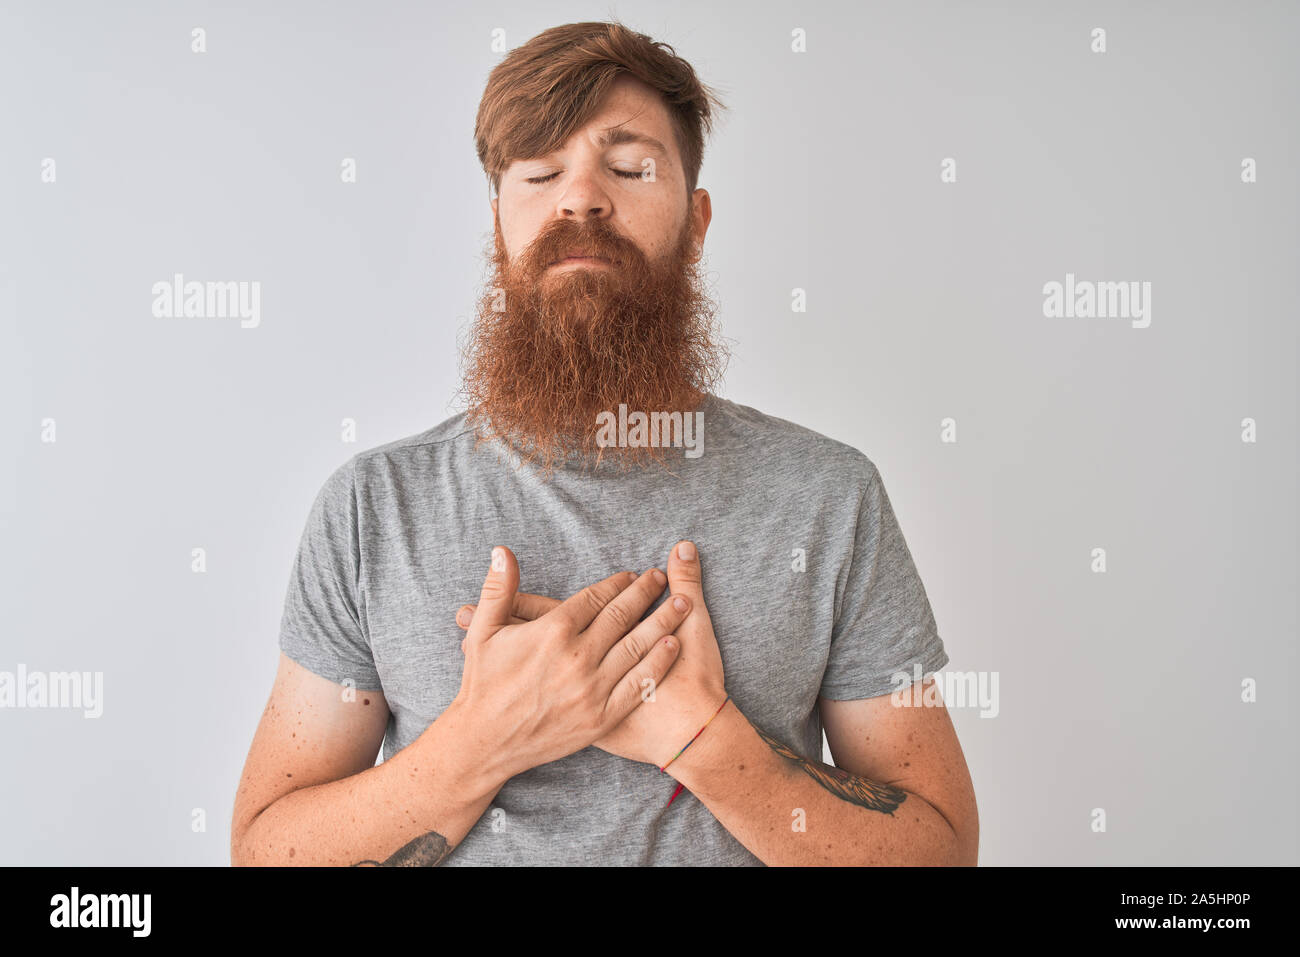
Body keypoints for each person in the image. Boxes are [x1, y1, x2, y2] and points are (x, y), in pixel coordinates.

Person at [231, 19, 977, 866]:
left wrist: (703, 737)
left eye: (628, 168)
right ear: (499, 227)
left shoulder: (830, 498)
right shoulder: (372, 509)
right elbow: (265, 853)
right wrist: (483, 739)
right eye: (541, 171)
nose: (580, 196)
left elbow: (942, 853)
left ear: (697, 224)